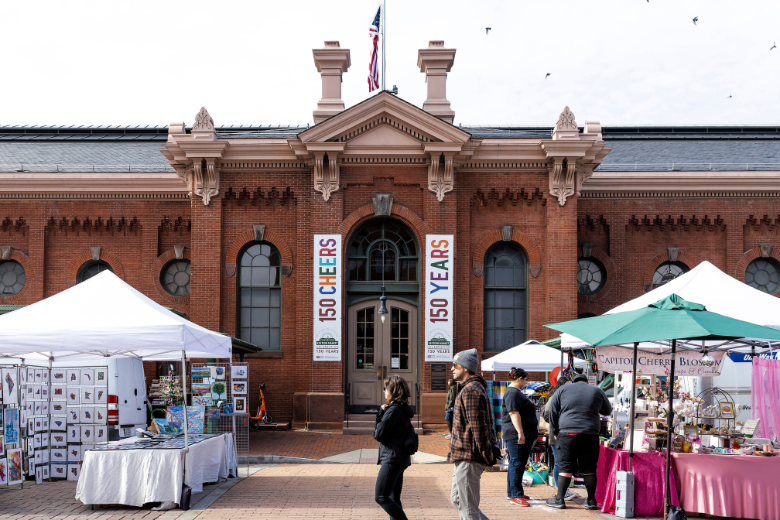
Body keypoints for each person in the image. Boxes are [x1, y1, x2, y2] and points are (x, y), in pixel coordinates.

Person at [546, 373, 613, 510]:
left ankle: (559, 500)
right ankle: (590, 501)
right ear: (586, 382)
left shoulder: (562, 390)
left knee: (565, 467)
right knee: (589, 469)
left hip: (567, 433)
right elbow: (607, 411)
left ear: (573, 381)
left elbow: (552, 412)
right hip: (590, 433)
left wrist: (555, 431)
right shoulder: (597, 390)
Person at [449, 348, 497, 520]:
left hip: (469, 457)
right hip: (464, 456)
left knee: (468, 510)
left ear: (465, 368)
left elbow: (480, 428)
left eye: (455, 365)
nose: (452, 369)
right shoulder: (470, 389)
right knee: (458, 500)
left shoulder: (470, 391)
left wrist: (487, 455)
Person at [373, 375, 415, 520]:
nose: (384, 391)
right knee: (394, 498)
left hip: (392, 458)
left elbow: (378, 434)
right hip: (400, 457)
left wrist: (380, 414)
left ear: (393, 391)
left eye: (386, 388)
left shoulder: (393, 411)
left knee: (381, 497)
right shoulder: (403, 409)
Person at [502, 367, 538, 507]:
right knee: (517, 463)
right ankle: (515, 494)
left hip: (519, 433)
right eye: (525, 380)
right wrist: (520, 433)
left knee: (516, 463)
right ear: (520, 379)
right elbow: (513, 413)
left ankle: (514, 492)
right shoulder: (513, 393)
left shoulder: (514, 392)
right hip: (517, 434)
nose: (526, 383)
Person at [543, 377, 576, 501]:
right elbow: (546, 416)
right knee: (559, 462)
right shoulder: (554, 398)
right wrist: (562, 419)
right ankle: (560, 490)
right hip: (556, 434)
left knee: (564, 462)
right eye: (567, 385)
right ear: (561, 386)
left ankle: (563, 489)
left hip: (566, 434)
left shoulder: (568, 398)